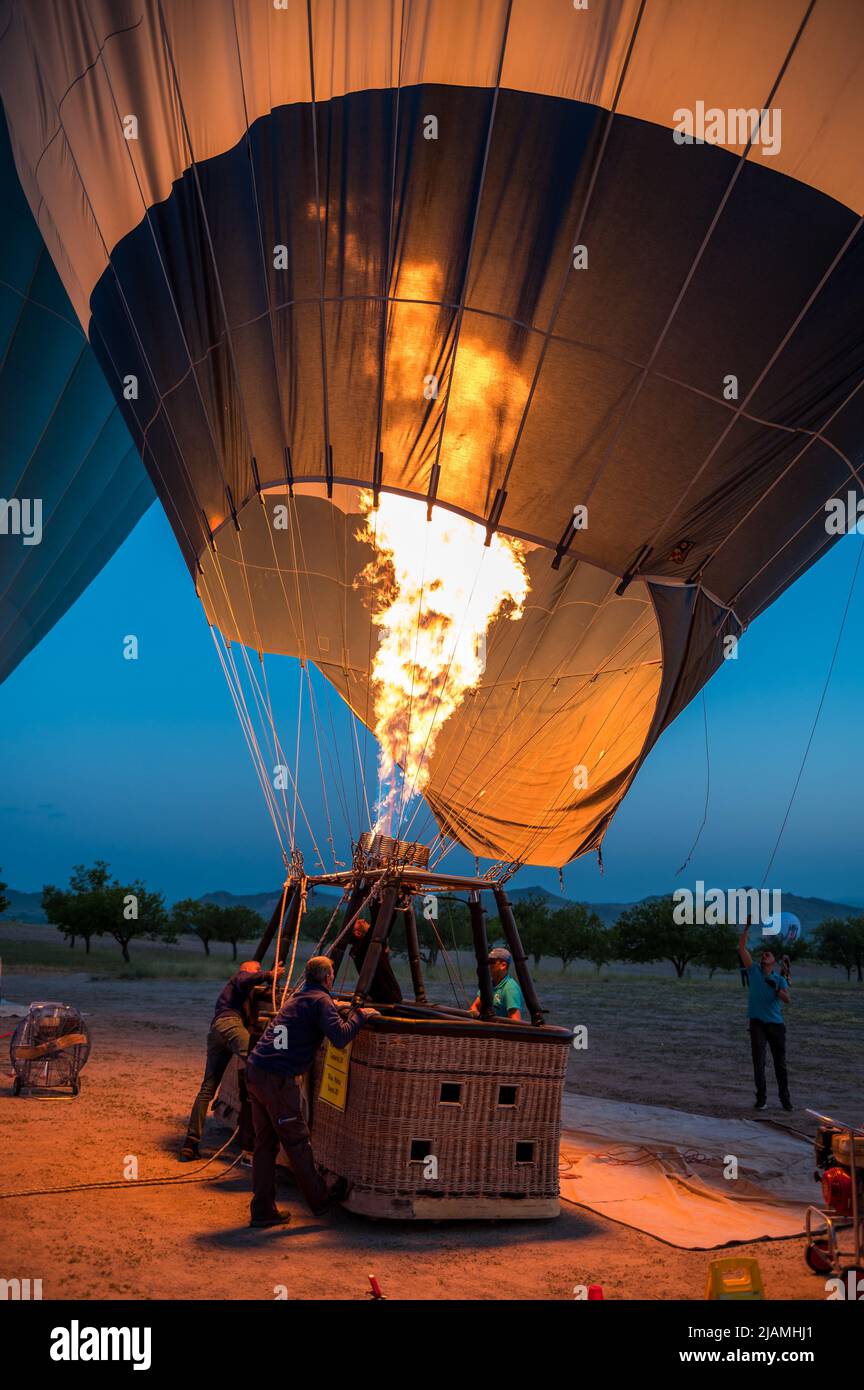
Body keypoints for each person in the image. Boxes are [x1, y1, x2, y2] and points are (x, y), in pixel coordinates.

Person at [244, 955, 378, 1228]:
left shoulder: (300, 996)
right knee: (297, 1142)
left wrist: (335, 1007)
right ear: (328, 978)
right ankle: (320, 1200)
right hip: (278, 1078)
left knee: (265, 1145)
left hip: (256, 1070)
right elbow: (340, 1038)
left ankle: (262, 1210)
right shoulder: (320, 1001)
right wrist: (360, 1016)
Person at [180, 959, 277, 1161]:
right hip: (230, 1025)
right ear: (246, 969)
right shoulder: (239, 978)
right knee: (258, 1063)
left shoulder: (240, 992)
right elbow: (245, 979)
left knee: (207, 1088)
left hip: (216, 1030)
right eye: (256, 969)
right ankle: (252, 1144)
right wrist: (269, 975)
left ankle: (191, 1143)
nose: (258, 971)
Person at [737, 927, 793, 1111]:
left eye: (767, 954)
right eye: (762, 954)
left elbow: (787, 999)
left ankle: (785, 1100)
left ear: (773, 961)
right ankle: (761, 1099)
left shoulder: (779, 979)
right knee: (759, 1061)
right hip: (757, 1023)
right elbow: (741, 948)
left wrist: (776, 989)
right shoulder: (753, 971)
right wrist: (746, 927)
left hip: (776, 1024)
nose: (764, 955)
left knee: (780, 1063)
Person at [348, 916, 403, 1004]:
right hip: (387, 998)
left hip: (381, 996)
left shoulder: (360, 949)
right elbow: (377, 920)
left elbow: (385, 924)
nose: (363, 920)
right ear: (357, 933)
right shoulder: (364, 947)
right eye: (358, 923)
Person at [469, 947, 525, 1020]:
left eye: (492, 962)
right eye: (488, 961)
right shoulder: (489, 984)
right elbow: (474, 1007)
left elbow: (515, 1020)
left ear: (503, 965)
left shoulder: (510, 989)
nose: (488, 965)